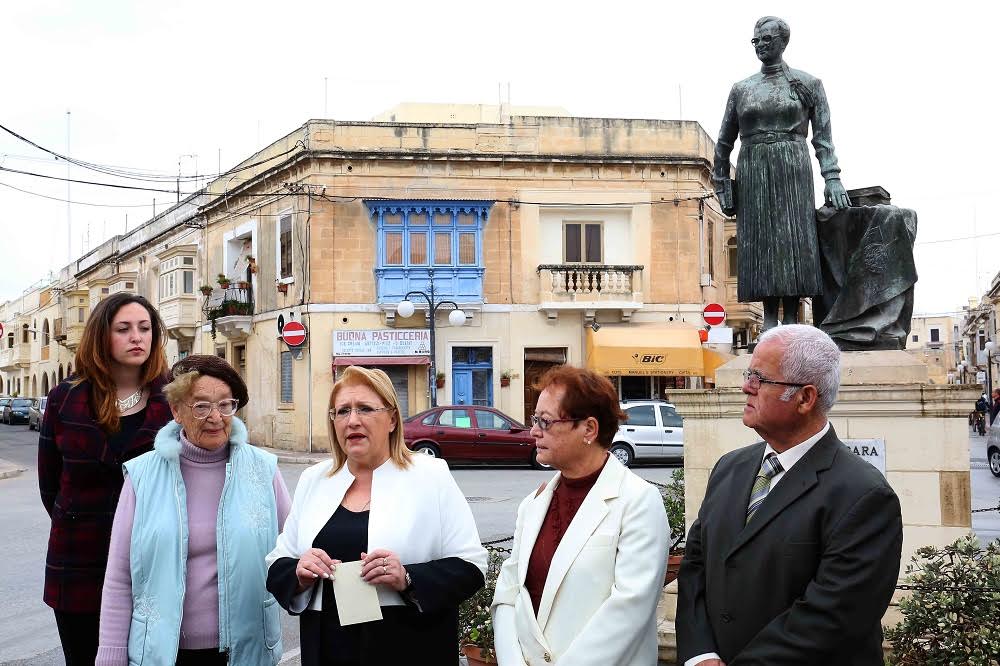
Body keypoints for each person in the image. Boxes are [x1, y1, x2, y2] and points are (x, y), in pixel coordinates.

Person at [676, 324, 903, 665]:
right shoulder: (729, 468)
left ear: (805, 398)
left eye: (759, 378)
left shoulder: (864, 495)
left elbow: (833, 618)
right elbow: (694, 567)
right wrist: (700, 654)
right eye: (747, 374)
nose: (745, 387)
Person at [265, 365, 487, 665]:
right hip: (328, 647)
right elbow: (278, 562)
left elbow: (471, 566)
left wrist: (407, 578)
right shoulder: (314, 480)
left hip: (409, 648)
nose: (352, 420)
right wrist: (300, 572)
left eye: (365, 409)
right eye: (342, 411)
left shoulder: (430, 476)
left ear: (392, 419)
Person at [96, 355, 291, 665]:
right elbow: (120, 578)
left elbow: (292, 554)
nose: (215, 417)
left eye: (225, 404)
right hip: (164, 654)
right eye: (201, 406)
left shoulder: (263, 470)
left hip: (247, 650)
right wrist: (110, 656)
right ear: (176, 411)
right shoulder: (143, 476)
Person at [492, 366, 670, 665]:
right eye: (535, 419)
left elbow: (628, 610)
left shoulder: (638, 502)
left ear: (589, 429)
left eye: (546, 421)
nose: (534, 431)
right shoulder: (533, 505)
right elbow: (509, 594)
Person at [38, 292, 173, 665]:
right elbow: (50, 485)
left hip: (151, 563)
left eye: (145, 328)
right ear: (102, 335)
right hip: (78, 563)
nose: (137, 337)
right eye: (124, 329)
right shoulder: (65, 398)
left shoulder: (172, 402)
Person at [712, 16, 851, 330]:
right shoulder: (742, 89)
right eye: (756, 41)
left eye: (767, 40)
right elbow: (723, 143)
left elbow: (824, 138)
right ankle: (769, 319)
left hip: (792, 165)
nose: (760, 46)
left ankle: (791, 317)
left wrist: (832, 177)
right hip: (753, 166)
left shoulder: (808, 84)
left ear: (783, 42)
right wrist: (723, 186)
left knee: (793, 238)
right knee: (759, 241)